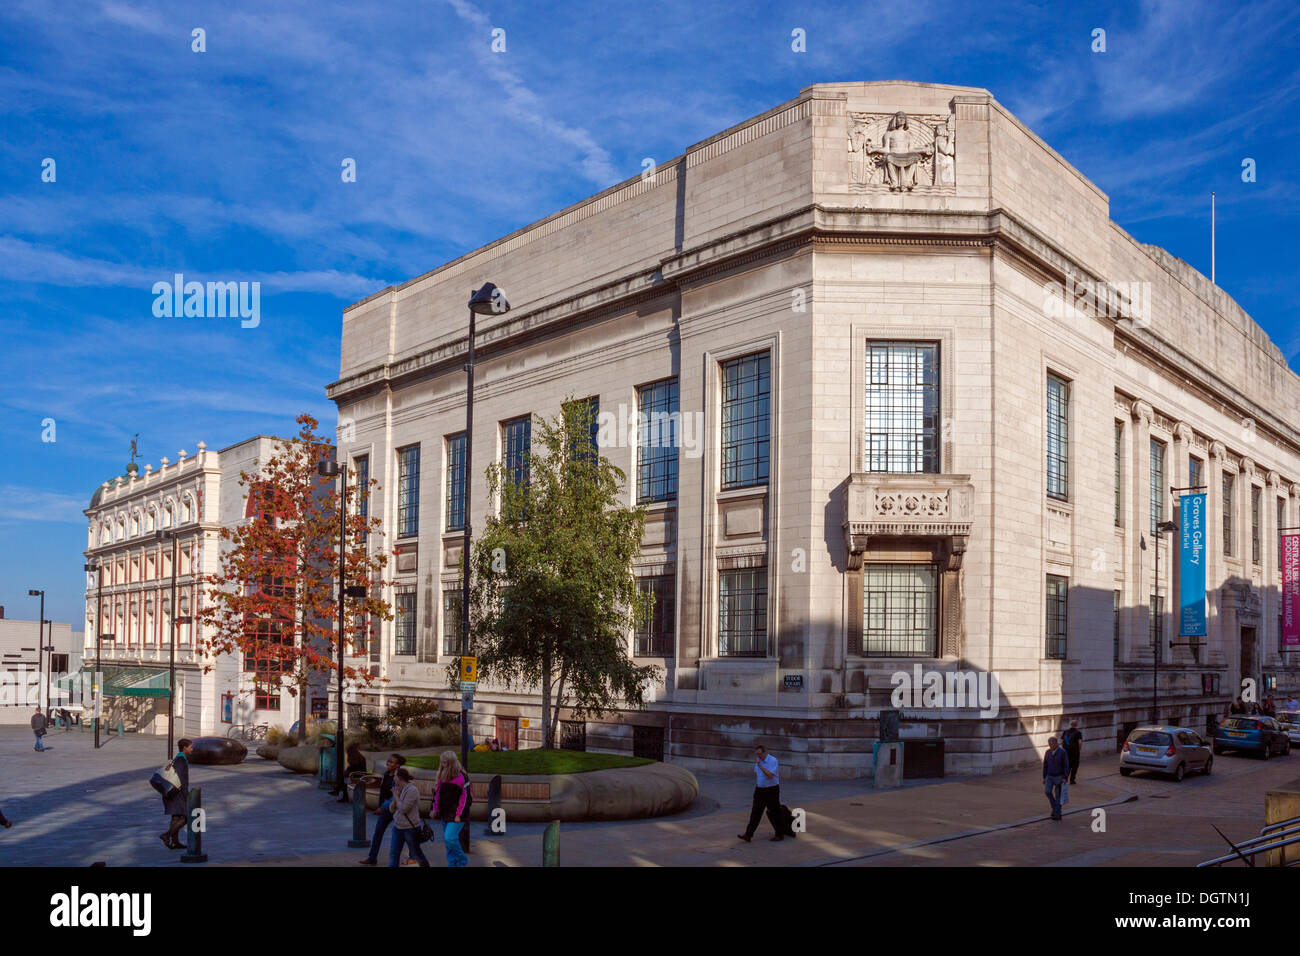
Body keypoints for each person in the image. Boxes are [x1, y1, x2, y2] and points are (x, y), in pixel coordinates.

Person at [359, 753, 405, 865]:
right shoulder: (386, 774)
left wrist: (383, 808)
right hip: (385, 810)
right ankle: (372, 858)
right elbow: (383, 792)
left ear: (398, 765)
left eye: (392, 762)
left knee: (406, 834)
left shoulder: (398, 777)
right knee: (378, 833)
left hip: (396, 809)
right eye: (388, 761)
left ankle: (414, 856)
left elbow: (396, 795)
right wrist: (381, 806)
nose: (388, 763)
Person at [431, 751, 470, 867]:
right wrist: (434, 809)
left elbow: (465, 798)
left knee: (449, 838)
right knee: (449, 842)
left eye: (445, 762)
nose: (443, 765)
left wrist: (458, 814)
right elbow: (437, 794)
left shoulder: (462, 777)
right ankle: (452, 863)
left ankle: (462, 859)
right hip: (445, 813)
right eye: (442, 762)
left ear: (452, 763)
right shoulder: (441, 775)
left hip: (458, 814)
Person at [737, 745, 784, 842]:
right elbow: (758, 774)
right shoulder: (758, 761)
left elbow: (770, 775)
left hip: (771, 790)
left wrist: (760, 766)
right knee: (755, 813)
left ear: (765, 752)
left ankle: (779, 834)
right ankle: (748, 834)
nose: (758, 756)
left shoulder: (772, 760)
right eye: (757, 754)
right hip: (760, 790)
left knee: (774, 812)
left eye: (760, 754)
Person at [387, 768, 430, 868]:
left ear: (400, 778)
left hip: (410, 829)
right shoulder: (398, 789)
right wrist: (395, 798)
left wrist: (396, 796)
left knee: (416, 855)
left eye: (395, 776)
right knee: (393, 854)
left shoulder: (412, 790)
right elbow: (391, 809)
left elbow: (403, 809)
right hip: (397, 827)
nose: (393, 778)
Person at [160, 738, 194, 849]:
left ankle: (175, 842)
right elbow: (179, 779)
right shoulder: (180, 760)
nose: (192, 749)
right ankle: (167, 835)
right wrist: (186, 794)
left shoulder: (178, 758)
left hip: (173, 792)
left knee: (176, 817)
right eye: (190, 747)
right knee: (187, 817)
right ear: (185, 748)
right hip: (178, 793)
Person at [1043, 736, 1069, 821]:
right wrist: (1044, 776)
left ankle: (1057, 814)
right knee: (1047, 791)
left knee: (1058, 796)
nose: (1050, 746)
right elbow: (1045, 765)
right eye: (1049, 744)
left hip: (1059, 776)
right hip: (1049, 776)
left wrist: (1065, 777)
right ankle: (1055, 808)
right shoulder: (1048, 752)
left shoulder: (1062, 752)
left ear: (1056, 743)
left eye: (1051, 744)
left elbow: (1066, 765)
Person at [1061, 720, 1083, 785]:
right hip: (1075, 752)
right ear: (1076, 725)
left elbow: (1062, 741)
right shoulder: (1078, 733)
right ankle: (1072, 780)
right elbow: (1080, 742)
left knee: (1067, 765)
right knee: (1074, 766)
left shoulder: (1065, 732)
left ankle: (1065, 778)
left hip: (1066, 751)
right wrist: (1079, 749)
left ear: (1070, 725)